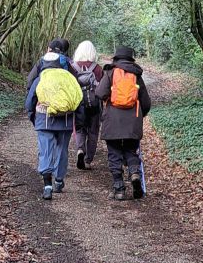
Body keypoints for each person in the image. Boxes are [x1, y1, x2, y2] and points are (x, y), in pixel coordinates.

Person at [95, 46, 153, 200]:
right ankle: (134, 173)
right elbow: (146, 102)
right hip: (132, 122)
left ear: (116, 58)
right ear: (131, 59)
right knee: (131, 151)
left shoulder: (110, 73)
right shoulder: (136, 75)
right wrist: (140, 116)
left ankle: (119, 189)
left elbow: (100, 93)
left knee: (114, 154)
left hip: (112, 121)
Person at [26, 58, 85, 200]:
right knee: (62, 150)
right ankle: (59, 180)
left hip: (44, 120)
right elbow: (79, 99)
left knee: (45, 151)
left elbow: (30, 101)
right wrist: (79, 121)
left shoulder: (41, 78)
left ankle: (47, 185)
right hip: (65, 121)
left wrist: (33, 117)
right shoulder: (69, 78)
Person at [71, 41, 104, 170]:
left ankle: (80, 149)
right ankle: (88, 160)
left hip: (79, 104)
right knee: (93, 132)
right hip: (94, 104)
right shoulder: (97, 68)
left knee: (79, 129)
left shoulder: (73, 67)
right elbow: (102, 88)